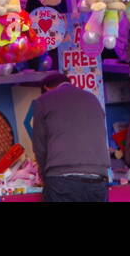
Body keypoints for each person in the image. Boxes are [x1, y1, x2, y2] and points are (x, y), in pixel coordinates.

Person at [29, 72, 110, 202]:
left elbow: (40, 146)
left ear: (46, 88)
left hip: (62, 180)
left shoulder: (43, 101)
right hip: (98, 179)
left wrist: (45, 178)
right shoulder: (92, 99)